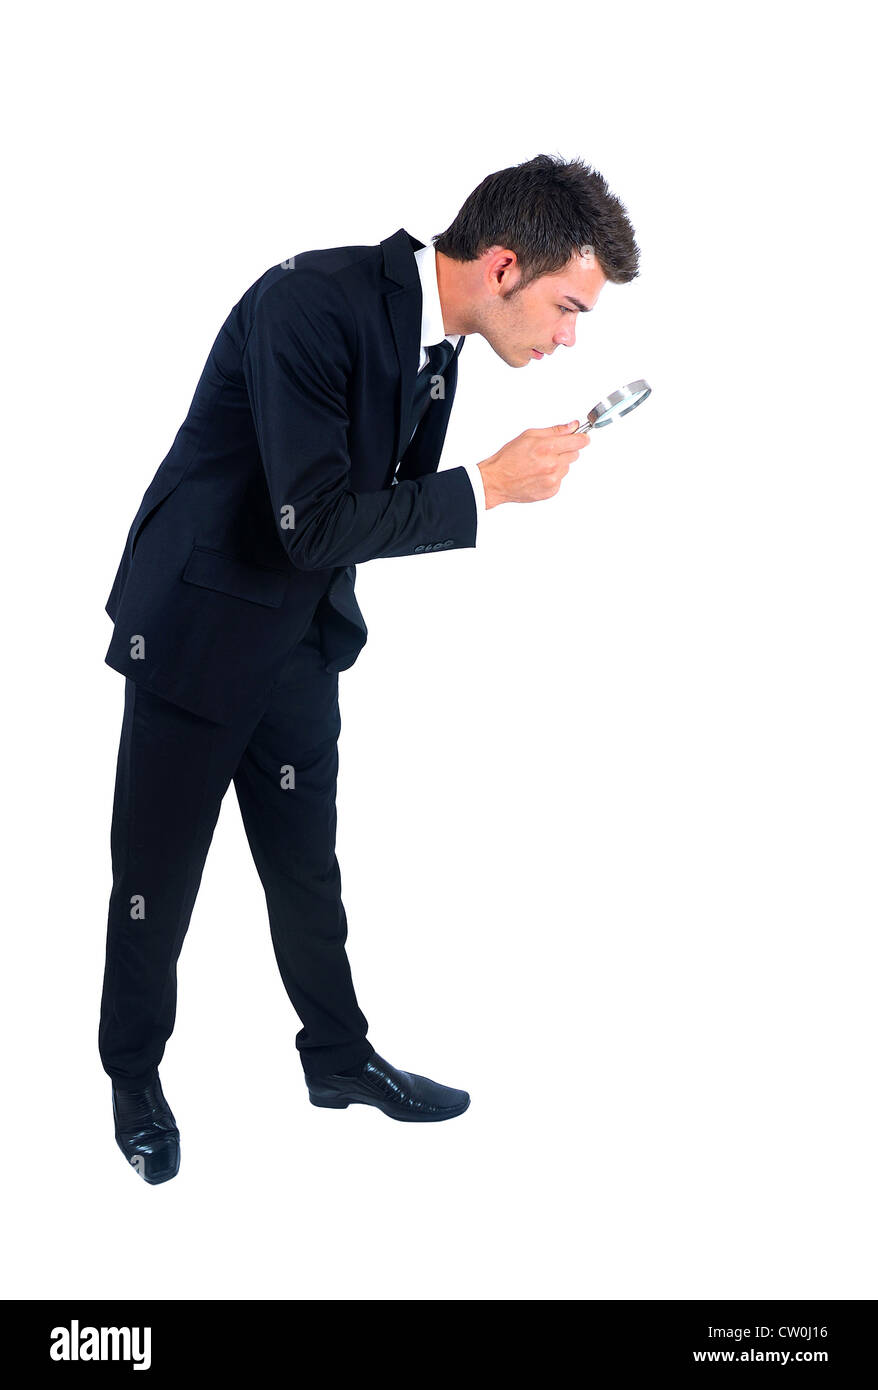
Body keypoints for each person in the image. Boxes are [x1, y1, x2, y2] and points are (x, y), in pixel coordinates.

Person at [99, 153, 640, 1182]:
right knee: (154, 877)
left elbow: (350, 518)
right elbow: (312, 522)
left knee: (305, 864)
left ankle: (336, 1059)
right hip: (199, 628)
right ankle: (132, 1075)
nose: (568, 336)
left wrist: (485, 484)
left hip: (297, 635)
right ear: (501, 265)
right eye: (567, 307)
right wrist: (483, 487)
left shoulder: (437, 343)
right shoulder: (307, 302)